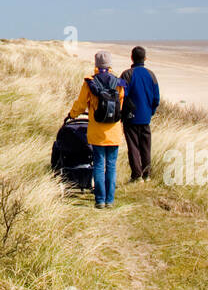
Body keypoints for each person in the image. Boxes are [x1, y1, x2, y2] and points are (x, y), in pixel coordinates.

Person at [67, 50, 125, 208]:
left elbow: (80, 104)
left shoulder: (89, 82)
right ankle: (110, 200)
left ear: (96, 64)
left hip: (97, 131)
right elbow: (122, 104)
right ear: (110, 64)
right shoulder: (118, 82)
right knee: (111, 165)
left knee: (99, 164)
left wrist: (72, 114)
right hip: (113, 130)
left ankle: (100, 200)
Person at [119, 46, 160, 182]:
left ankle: (137, 176)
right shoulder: (151, 74)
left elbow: (121, 96)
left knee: (134, 148)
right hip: (145, 118)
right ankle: (146, 175)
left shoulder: (126, 74)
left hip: (131, 118)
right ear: (145, 58)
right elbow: (156, 98)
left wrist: (123, 113)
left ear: (132, 57)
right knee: (145, 147)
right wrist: (150, 112)